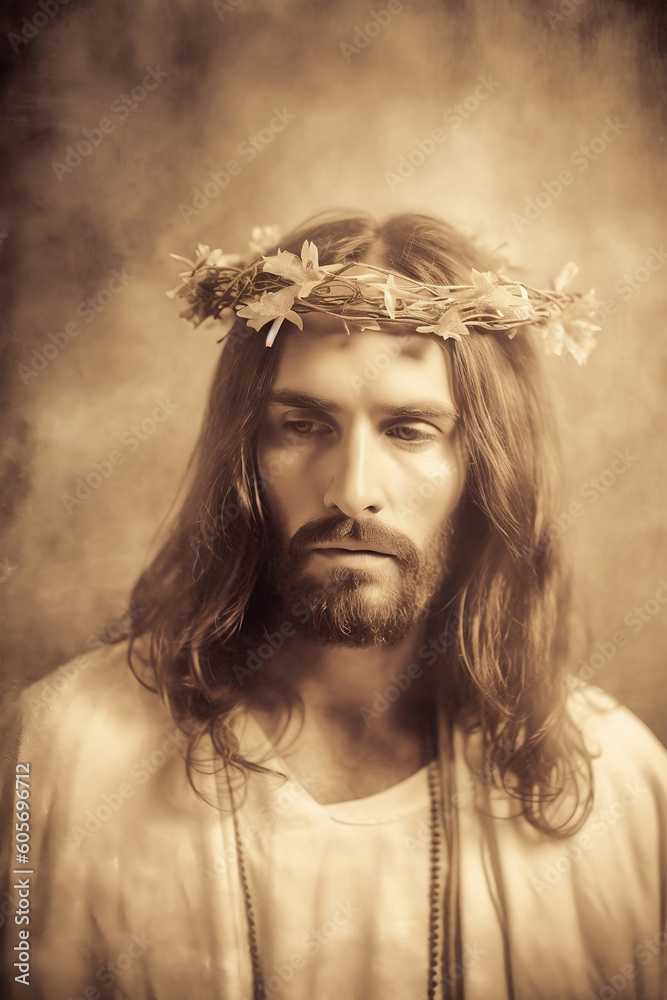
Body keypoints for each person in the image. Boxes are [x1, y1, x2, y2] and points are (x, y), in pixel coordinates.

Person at [3, 211, 666, 1000]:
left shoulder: (622, 789)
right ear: (243, 453)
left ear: (487, 469)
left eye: (410, 430)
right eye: (303, 424)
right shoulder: (61, 752)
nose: (352, 490)